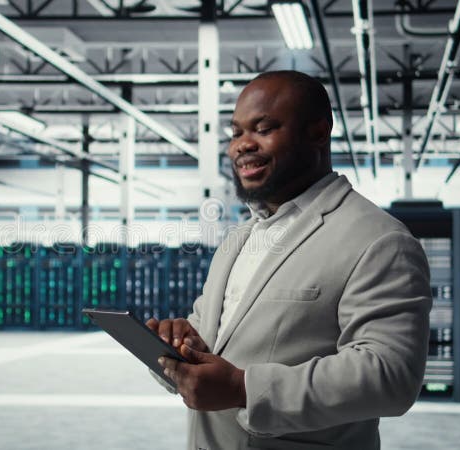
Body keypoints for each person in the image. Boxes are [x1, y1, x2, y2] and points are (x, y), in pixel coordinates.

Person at [146, 70, 432, 450]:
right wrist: (183, 343)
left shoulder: (379, 239)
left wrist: (242, 388)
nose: (242, 145)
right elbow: (215, 333)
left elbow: (390, 376)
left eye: (263, 128)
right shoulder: (239, 239)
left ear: (318, 132)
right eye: (236, 133)